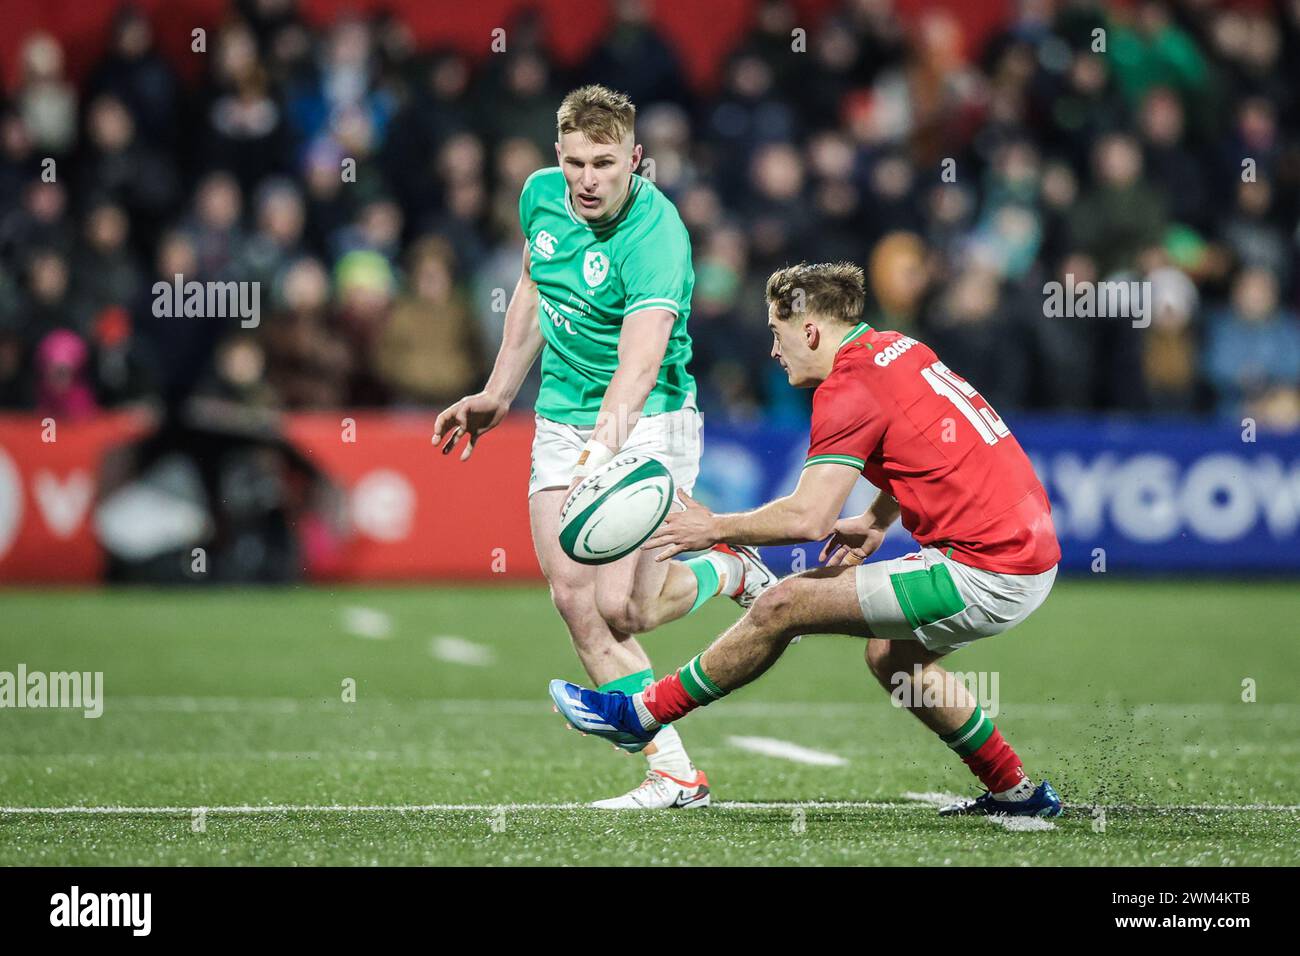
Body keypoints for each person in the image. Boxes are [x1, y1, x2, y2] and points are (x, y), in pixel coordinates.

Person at [550, 261, 1065, 817]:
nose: (774, 350)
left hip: (987, 571)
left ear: (810, 331)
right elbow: (931, 447)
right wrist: (875, 519)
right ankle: (1017, 794)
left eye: (777, 332)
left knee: (782, 604)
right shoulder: (899, 348)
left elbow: (808, 518)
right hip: (1027, 552)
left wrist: (715, 527)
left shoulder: (848, 386)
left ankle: (640, 716)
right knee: (894, 661)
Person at [435, 85, 776, 809]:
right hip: (560, 416)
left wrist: (598, 462)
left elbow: (640, 366)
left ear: (637, 161)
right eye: (575, 163)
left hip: (650, 418)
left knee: (624, 608)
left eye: (605, 163)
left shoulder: (660, 237)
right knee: (573, 599)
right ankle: (674, 774)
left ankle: (725, 571)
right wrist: (498, 391)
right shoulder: (540, 197)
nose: (587, 180)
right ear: (557, 157)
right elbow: (534, 288)